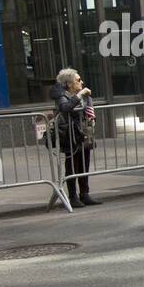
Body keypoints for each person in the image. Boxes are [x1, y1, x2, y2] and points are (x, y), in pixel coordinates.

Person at [53, 68, 99, 207]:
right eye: (78, 80)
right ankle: (72, 196)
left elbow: (88, 110)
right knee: (72, 166)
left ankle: (84, 194)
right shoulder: (62, 95)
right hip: (70, 135)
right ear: (68, 84)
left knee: (84, 164)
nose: (81, 82)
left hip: (84, 133)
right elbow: (65, 108)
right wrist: (79, 95)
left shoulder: (84, 95)